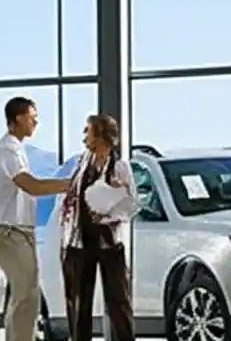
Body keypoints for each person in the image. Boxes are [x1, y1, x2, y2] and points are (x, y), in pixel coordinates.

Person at [0, 96, 70, 341]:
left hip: (18, 231)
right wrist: (71, 184)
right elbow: (31, 186)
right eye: (32, 117)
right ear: (18, 118)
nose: (36, 122)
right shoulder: (8, 151)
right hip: (10, 233)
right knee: (27, 296)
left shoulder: (16, 149)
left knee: (25, 296)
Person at [57, 114, 137, 341]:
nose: (84, 136)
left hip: (109, 244)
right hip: (79, 243)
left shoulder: (120, 167)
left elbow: (131, 204)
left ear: (101, 136)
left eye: (87, 131)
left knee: (118, 302)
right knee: (79, 305)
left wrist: (108, 213)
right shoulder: (82, 164)